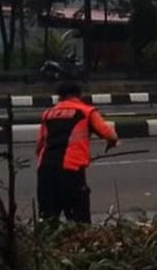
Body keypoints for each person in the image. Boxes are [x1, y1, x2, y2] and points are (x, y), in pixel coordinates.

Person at [35, 81, 118, 224]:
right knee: (79, 218)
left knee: (48, 218)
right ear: (79, 95)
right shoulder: (86, 111)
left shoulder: (48, 114)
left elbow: (39, 146)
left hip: (45, 169)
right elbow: (110, 135)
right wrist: (112, 143)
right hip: (71, 171)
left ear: (60, 96)